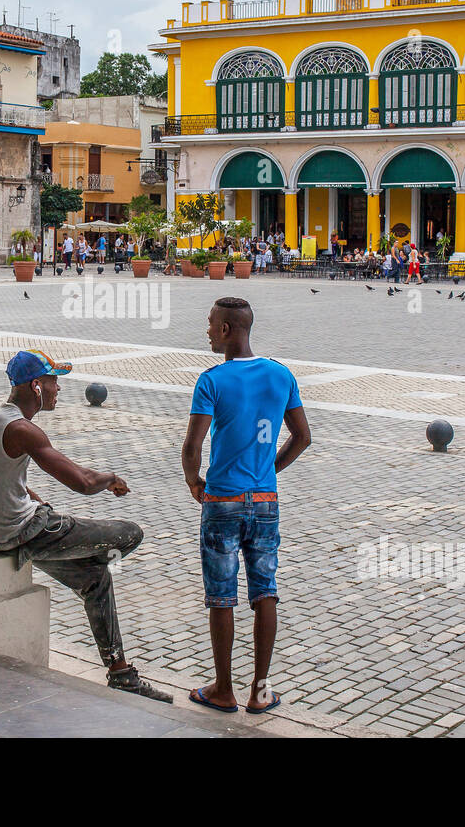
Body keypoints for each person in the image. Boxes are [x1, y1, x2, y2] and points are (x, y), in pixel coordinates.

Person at [0, 349, 171, 702]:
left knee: (96, 579)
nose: (58, 388)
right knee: (129, 533)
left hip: (8, 535)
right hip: (30, 532)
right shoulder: (23, 429)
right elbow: (82, 481)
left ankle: (121, 673)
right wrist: (111, 478)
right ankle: (90, 555)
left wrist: (32, 498)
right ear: (36, 387)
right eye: (53, 381)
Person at [181, 297, 311, 714]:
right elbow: (302, 436)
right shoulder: (280, 374)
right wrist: (269, 470)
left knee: (222, 596)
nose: (206, 331)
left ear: (225, 330)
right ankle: (260, 690)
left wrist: (193, 481)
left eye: (210, 324)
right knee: (265, 593)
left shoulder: (212, 380)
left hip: (222, 500)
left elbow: (192, 445)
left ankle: (223, 688)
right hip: (265, 501)